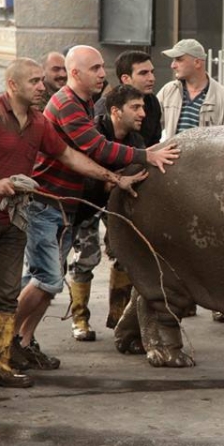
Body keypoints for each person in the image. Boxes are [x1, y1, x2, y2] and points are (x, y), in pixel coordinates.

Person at [0, 58, 152, 389]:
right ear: (13, 85)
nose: (42, 87)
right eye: (34, 82)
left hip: (13, 217)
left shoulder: (38, 122)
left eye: (42, 81)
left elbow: (68, 155)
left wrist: (114, 179)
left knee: (7, 294)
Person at [15, 46, 179, 369]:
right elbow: (96, 147)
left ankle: (22, 342)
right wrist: (147, 156)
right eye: (95, 68)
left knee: (48, 282)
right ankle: (4, 339)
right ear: (75, 74)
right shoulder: (65, 104)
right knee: (46, 279)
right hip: (46, 205)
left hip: (65, 207)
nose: (103, 73)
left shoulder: (87, 102)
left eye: (102, 67)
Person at [68, 51, 164, 340]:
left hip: (117, 207)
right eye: (135, 108)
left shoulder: (137, 138)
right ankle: (79, 319)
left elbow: (148, 151)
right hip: (86, 204)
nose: (142, 114)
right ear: (115, 111)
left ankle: (117, 315)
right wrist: (110, 183)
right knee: (85, 258)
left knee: (124, 256)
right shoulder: (95, 126)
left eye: (143, 108)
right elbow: (86, 169)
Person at [157, 39, 224, 140]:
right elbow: (150, 126)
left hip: (207, 155)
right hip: (173, 155)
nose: (173, 65)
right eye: (173, 60)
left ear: (197, 63)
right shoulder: (168, 91)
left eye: (179, 59)